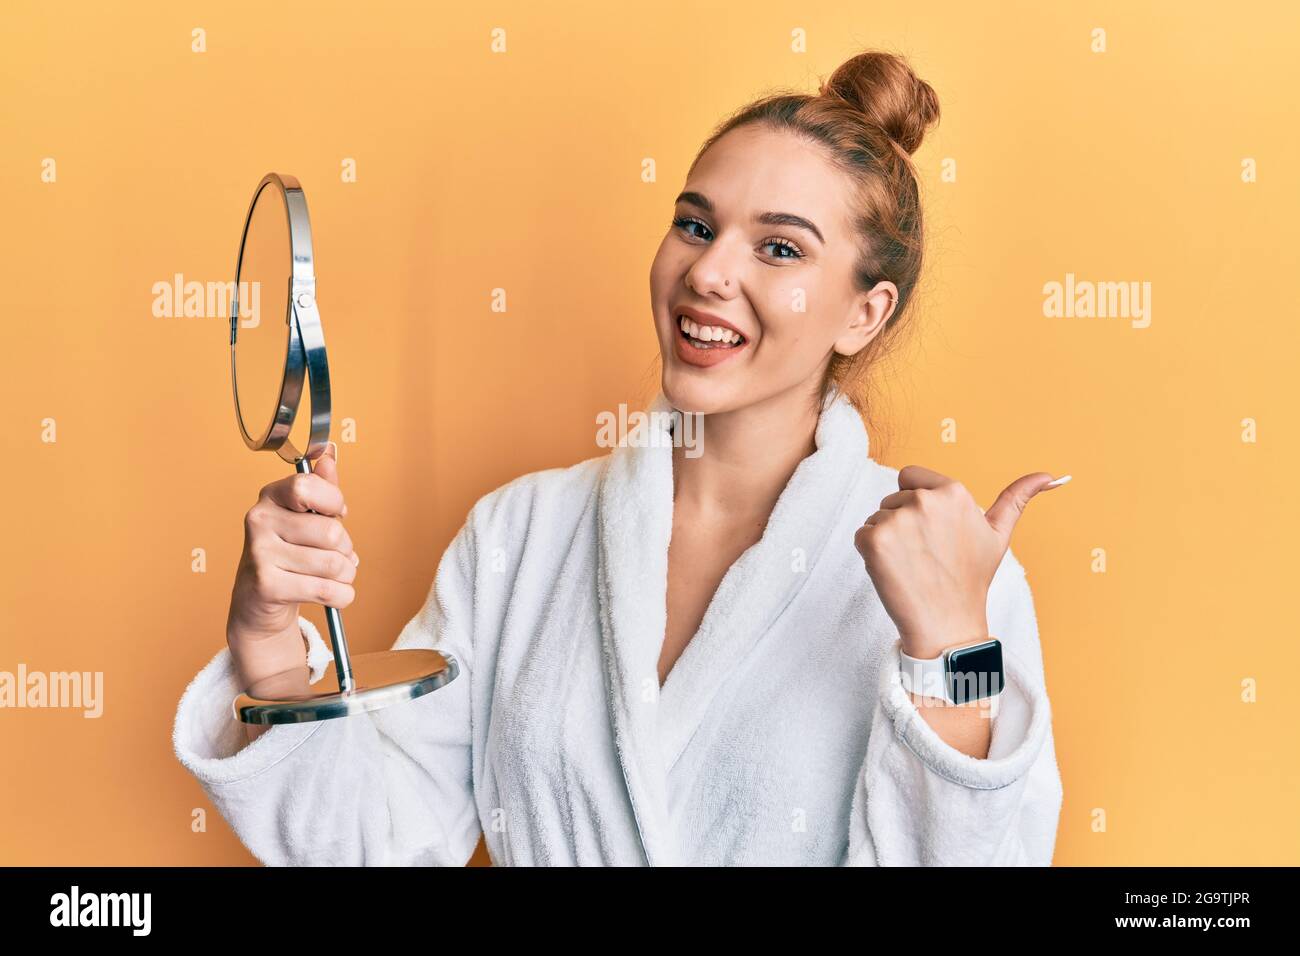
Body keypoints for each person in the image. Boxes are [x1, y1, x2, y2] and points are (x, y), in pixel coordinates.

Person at [173, 49, 1066, 866]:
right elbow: (369, 844)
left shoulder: (955, 575)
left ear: (865, 313)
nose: (709, 273)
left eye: (780, 247)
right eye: (693, 224)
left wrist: (951, 646)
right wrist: (268, 649)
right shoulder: (521, 533)